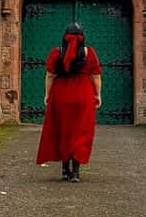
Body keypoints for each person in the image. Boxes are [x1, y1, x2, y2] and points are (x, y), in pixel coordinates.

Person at [34, 22, 102, 182]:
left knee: (63, 129)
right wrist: (98, 95)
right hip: (83, 95)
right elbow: (96, 76)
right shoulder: (89, 53)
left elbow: (50, 75)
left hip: (61, 95)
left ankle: (65, 170)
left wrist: (47, 94)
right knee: (80, 132)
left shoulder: (57, 53)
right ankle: (76, 173)